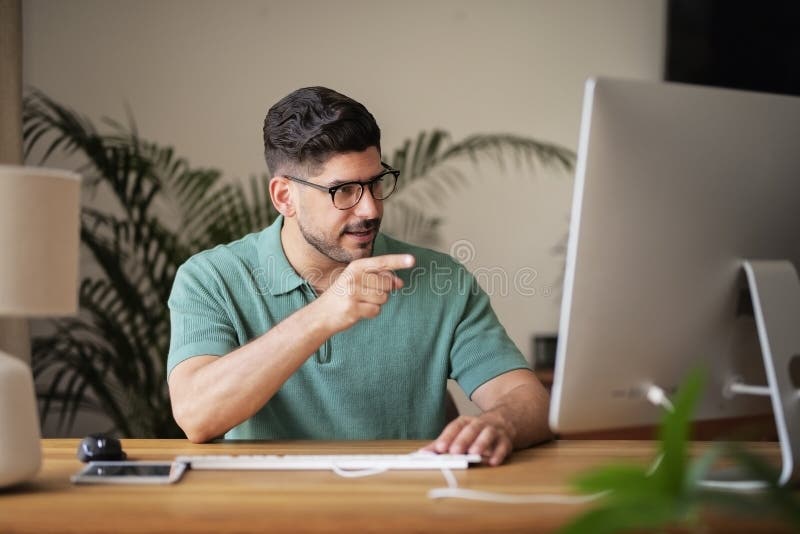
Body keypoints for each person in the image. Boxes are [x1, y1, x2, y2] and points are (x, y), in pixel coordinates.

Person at [167, 86, 552, 465]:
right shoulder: (211, 278)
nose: (370, 209)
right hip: (270, 502)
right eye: (344, 190)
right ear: (285, 197)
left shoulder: (442, 278)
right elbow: (196, 416)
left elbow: (527, 398)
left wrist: (501, 423)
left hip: (408, 500)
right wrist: (321, 317)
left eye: (375, 183)